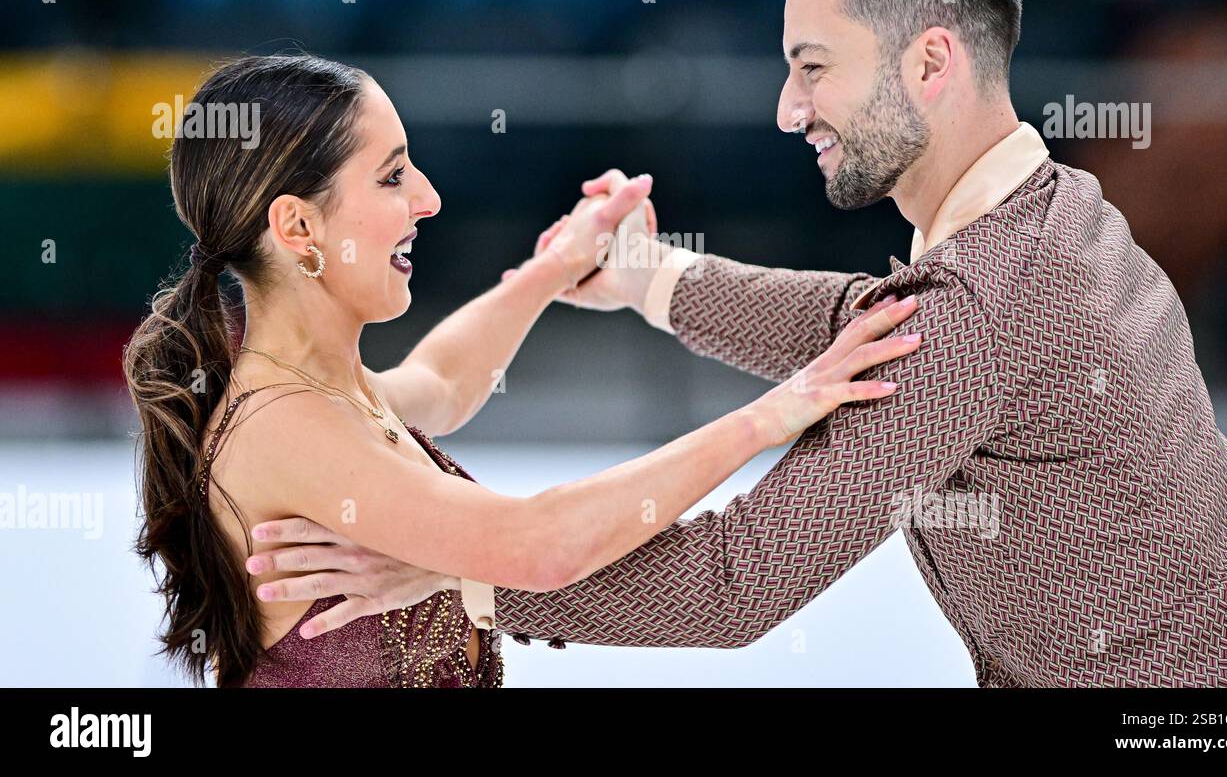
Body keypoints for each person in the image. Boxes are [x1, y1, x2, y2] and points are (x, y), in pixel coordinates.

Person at [260, 0, 1227, 686]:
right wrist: (648, 275)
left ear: (929, 62)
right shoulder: (1058, 211)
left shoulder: (979, 311)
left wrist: (458, 580)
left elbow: (735, 581)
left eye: (812, 68)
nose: (785, 107)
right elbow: (867, 318)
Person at [124, 52, 920, 687]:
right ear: (298, 226)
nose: (429, 199)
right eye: (393, 176)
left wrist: (555, 269)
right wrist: (779, 410)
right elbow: (539, 545)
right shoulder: (283, 423)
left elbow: (442, 383)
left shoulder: (327, 390)